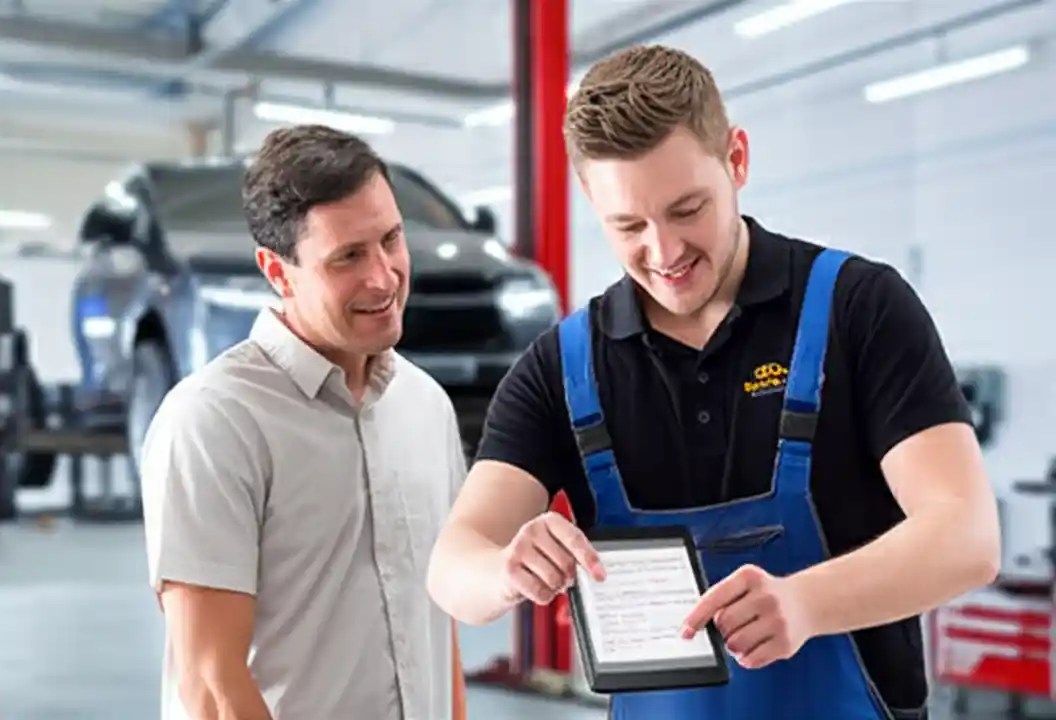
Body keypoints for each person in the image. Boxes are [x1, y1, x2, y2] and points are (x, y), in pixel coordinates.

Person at [426, 44, 1001, 720]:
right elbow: (451, 570)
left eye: (687, 209)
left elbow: (966, 537)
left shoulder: (860, 310)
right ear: (590, 198)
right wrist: (503, 570)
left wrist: (807, 603)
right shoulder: (561, 369)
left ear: (738, 159)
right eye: (629, 225)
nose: (664, 252)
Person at [140, 124, 467, 720]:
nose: (383, 276)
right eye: (347, 257)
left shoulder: (425, 405)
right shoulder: (216, 421)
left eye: (391, 240)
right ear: (277, 270)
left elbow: (435, 631)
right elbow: (211, 684)